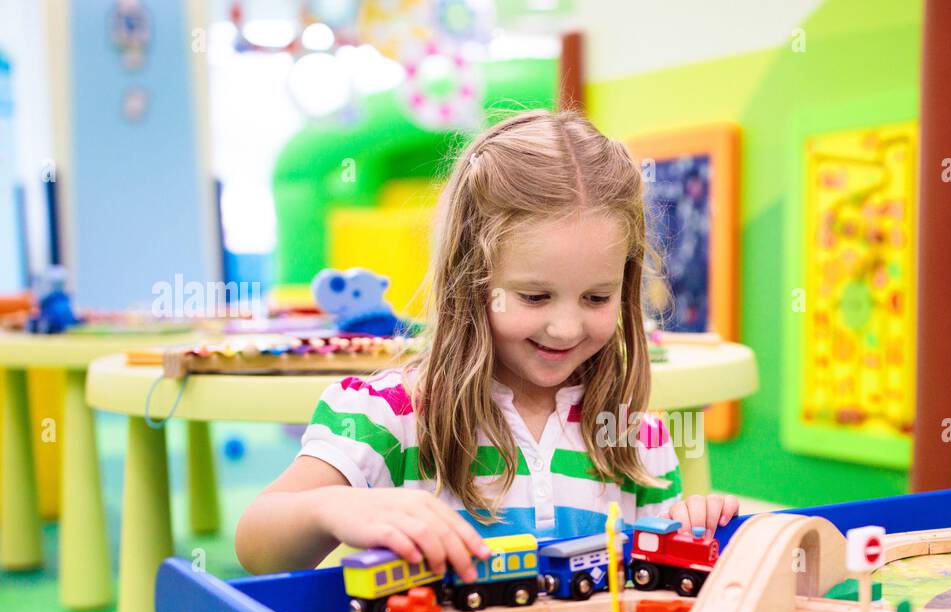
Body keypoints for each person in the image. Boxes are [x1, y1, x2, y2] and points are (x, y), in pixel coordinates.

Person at [236, 110, 739, 580]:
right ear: (471, 280)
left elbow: (654, 574)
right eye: (535, 296)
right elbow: (256, 544)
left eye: (596, 296)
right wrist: (335, 507)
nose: (566, 328)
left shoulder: (637, 437)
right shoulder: (390, 415)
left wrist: (691, 523)